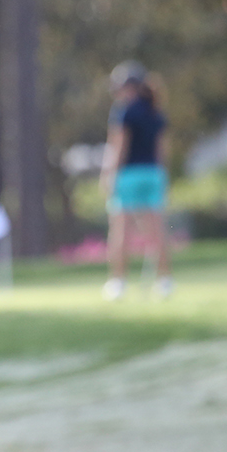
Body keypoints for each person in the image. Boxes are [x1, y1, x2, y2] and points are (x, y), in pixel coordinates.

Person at [99, 61, 173, 300]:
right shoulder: (155, 111)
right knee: (157, 231)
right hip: (153, 174)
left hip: (129, 174)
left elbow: (118, 147)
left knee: (121, 230)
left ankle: (117, 282)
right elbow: (162, 150)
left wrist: (109, 174)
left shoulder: (124, 112)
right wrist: (162, 175)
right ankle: (164, 282)